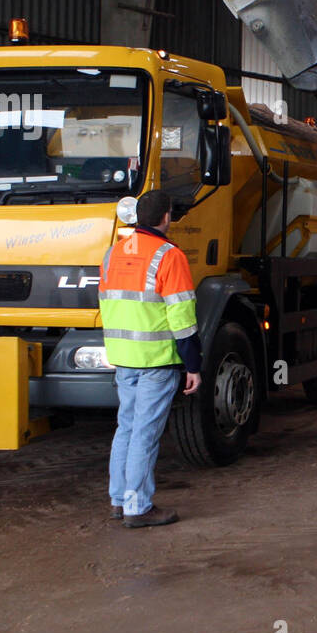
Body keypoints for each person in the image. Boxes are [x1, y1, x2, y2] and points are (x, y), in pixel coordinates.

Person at [98, 190, 201, 528]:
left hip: (124, 356)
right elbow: (182, 318)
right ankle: (138, 506)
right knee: (146, 431)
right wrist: (193, 365)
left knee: (126, 427)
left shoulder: (112, 254)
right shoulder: (169, 255)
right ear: (166, 217)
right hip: (156, 359)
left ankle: (118, 499)